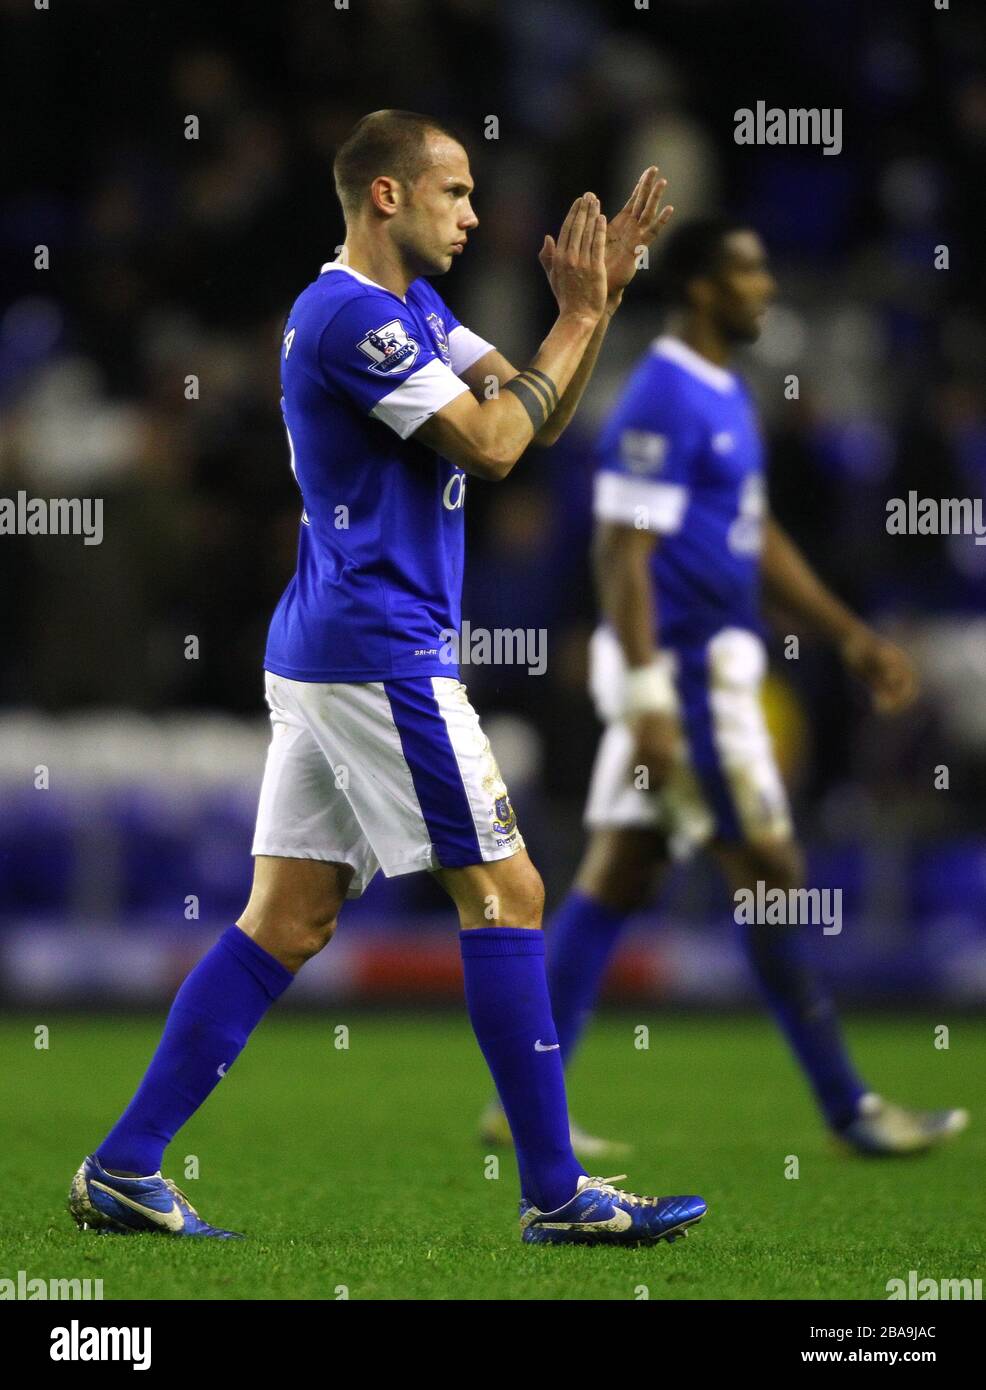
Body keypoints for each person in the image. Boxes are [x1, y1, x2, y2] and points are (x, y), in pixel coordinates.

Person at [69, 111, 706, 1246]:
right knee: (507, 894)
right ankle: (556, 1195)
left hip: (330, 648)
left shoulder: (414, 311)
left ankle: (123, 1165)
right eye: (454, 192)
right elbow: (493, 442)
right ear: (384, 197)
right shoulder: (349, 318)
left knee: (290, 916)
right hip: (380, 653)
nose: (474, 214)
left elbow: (533, 407)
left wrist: (592, 310)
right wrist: (569, 320)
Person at [480, 217, 969, 1160]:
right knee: (776, 880)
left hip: (694, 676)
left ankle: (519, 1102)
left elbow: (758, 534)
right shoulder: (662, 396)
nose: (766, 287)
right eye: (748, 270)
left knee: (619, 874)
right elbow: (623, 554)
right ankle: (849, 1108)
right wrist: (656, 699)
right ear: (702, 288)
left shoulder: (723, 394)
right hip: (690, 678)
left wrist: (848, 634)